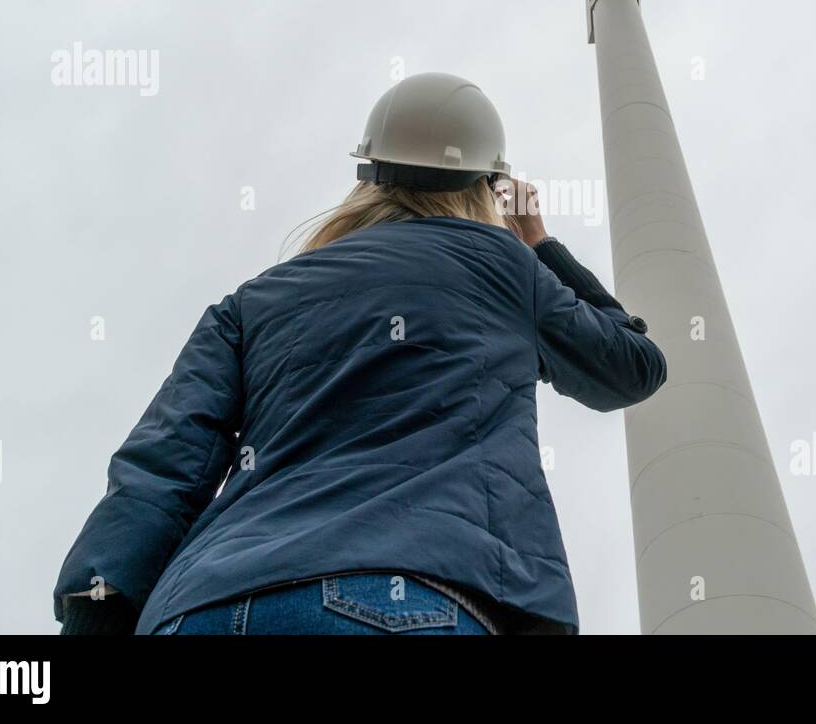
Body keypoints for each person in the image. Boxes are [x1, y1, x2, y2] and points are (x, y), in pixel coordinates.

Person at [53, 72, 667, 635]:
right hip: (409, 596)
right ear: (487, 186)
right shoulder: (505, 269)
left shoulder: (253, 301)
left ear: (369, 172)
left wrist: (95, 615)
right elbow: (632, 368)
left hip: (203, 605)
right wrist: (538, 243)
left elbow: (159, 471)